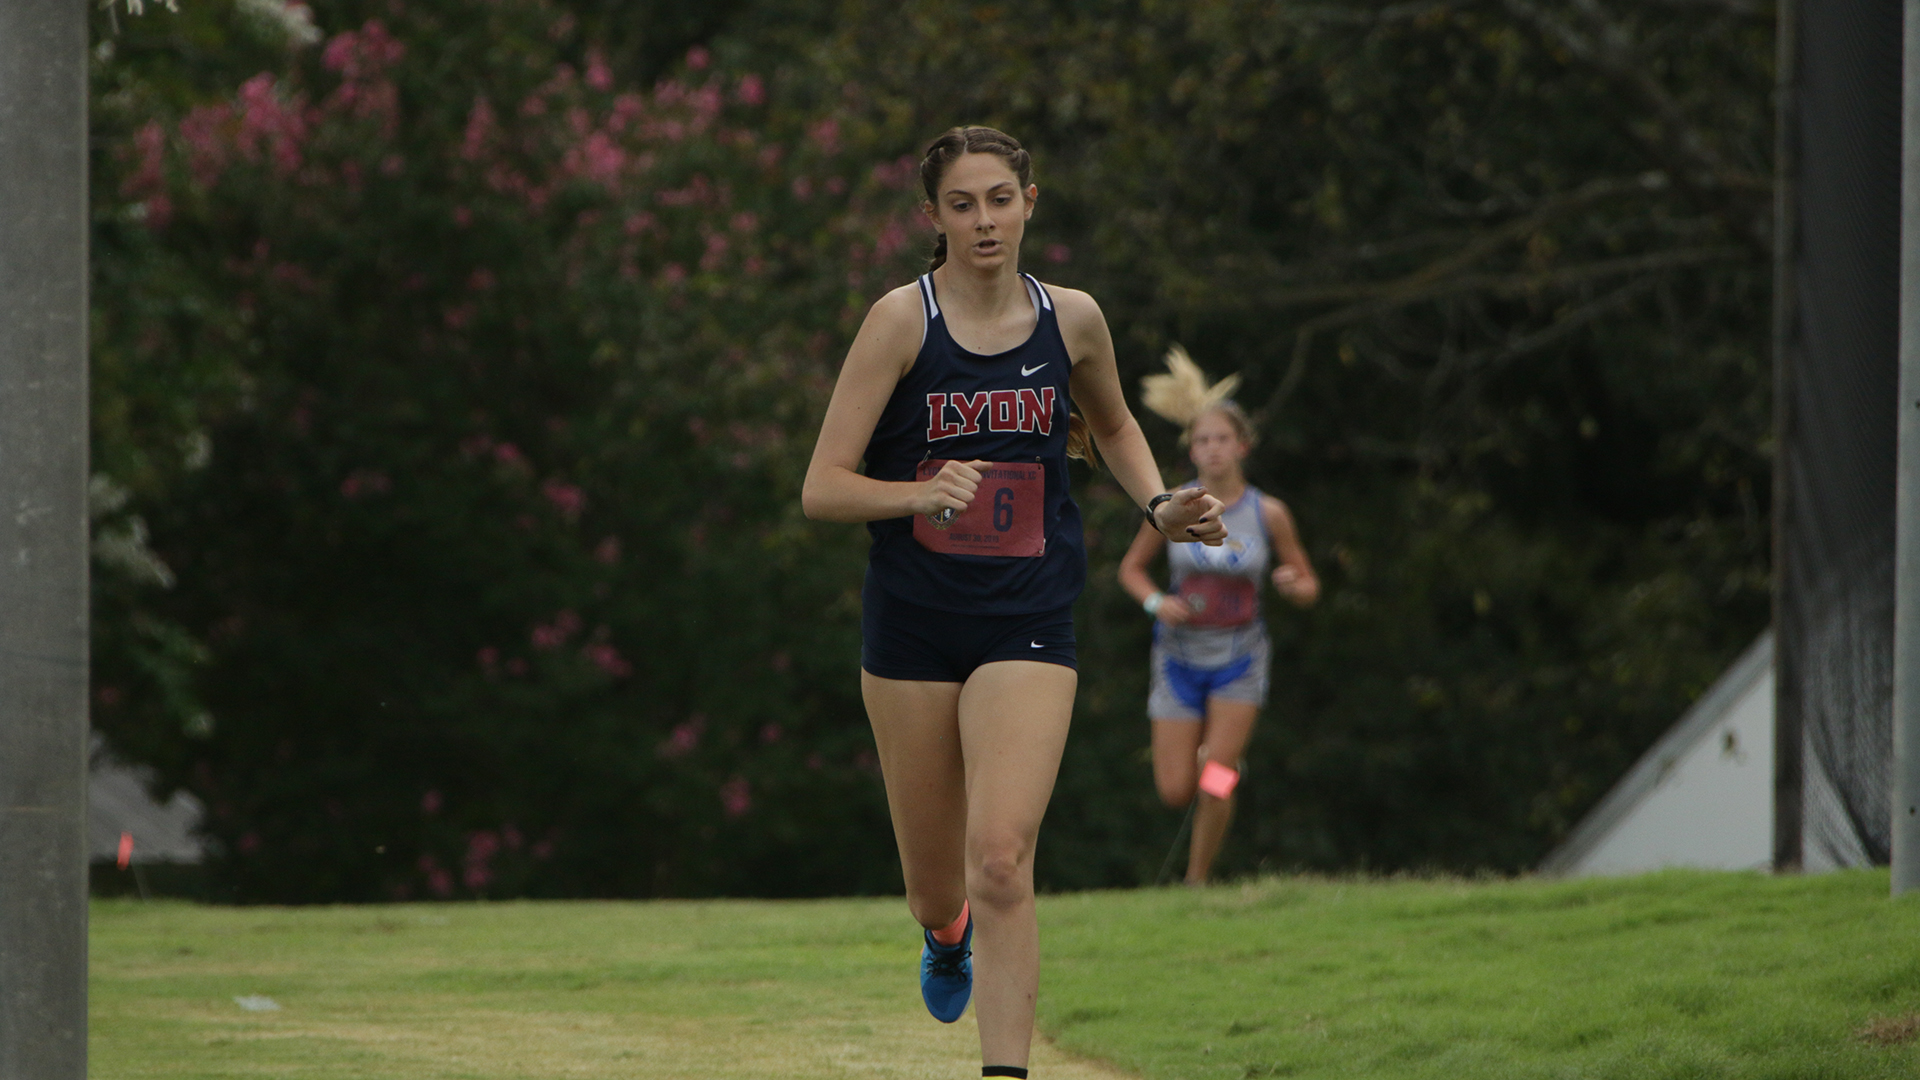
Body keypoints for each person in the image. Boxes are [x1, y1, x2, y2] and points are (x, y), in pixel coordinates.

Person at [801, 126, 1225, 1079]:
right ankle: (942, 934)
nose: (984, 220)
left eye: (1000, 198)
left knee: (1001, 858)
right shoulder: (900, 323)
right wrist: (917, 492)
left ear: (1031, 201)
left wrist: (1156, 503)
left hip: (1026, 616)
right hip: (911, 625)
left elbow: (1112, 422)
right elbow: (820, 486)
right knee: (936, 886)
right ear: (934, 219)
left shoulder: (1071, 319)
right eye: (962, 204)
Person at [1117, 347, 1319, 886]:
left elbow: (1308, 584)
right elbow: (1131, 571)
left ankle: (1196, 880)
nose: (1211, 448)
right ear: (1191, 450)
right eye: (1202, 440)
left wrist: (1293, 584)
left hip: (1241, 658)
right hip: (1178, 658)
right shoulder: (1173, 506)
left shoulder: (1267, 512)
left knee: (1217, 778)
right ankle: (1219, 765)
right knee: (1175, 789)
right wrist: (1158, 602)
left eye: (1222, 438)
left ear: (1243, 446)